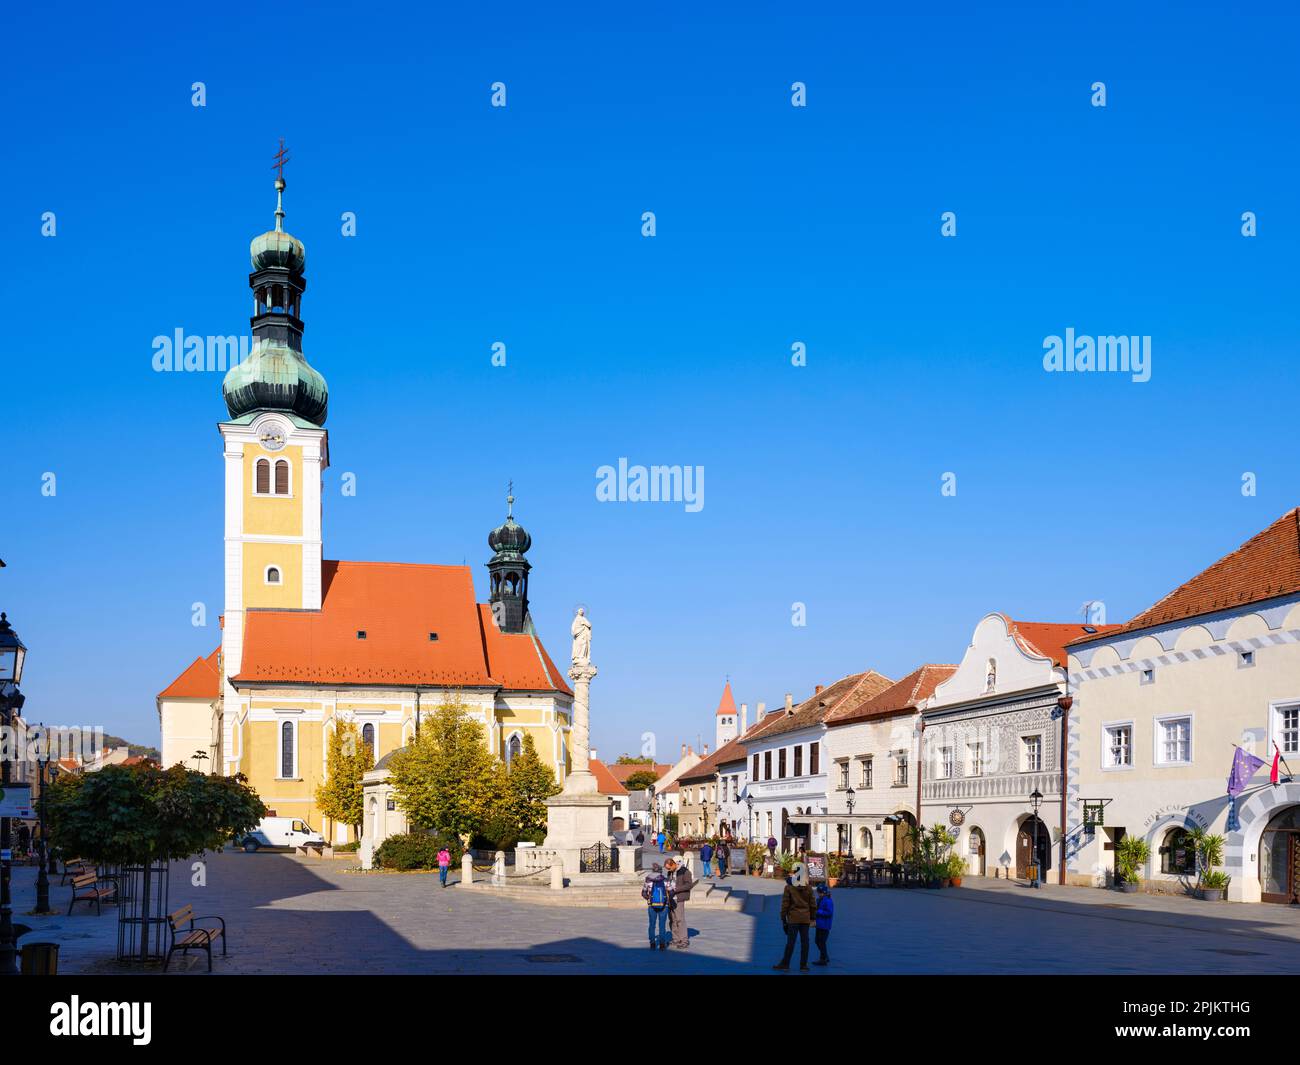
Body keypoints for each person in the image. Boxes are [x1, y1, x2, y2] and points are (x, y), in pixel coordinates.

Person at [773, 861, 815, 972]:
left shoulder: (789, 888)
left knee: (790, 942)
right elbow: (813, 905)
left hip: (793, 918)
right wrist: (813, 918)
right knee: (805, 942)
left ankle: (785, 964)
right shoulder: (809, 888)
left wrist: (783, 918)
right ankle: (803, 965)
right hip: (805, 918)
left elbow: (785, 904)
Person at [642, 862, 671, 950]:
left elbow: (643, 893)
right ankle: (662, 944)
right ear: (661, 871)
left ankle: (652, 943)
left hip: (652, 905)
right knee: (662, 925)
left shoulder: (648, 880)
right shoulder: (666, 880)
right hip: (664, 905)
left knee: (652, 924)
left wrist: (649, 898)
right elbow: (671, 891)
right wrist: (667, 899)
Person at [666, 857, 693, 949]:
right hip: (670, 898)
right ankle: (675, 939)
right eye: (667, 869)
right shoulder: (670, 872)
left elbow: (689, 885)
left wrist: (676, 889)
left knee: (680, 920)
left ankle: (684, 940)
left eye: (669, 867)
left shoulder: (685, 872)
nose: (669, 870)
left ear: (676, 863)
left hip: (679, 898)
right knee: (672, 920)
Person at [813, 882, 834, 966]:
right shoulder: (819, 899)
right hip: (819, 924)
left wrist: (818, 912)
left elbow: (829, 913)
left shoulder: (828, 901)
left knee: (821, 942)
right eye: (819, 892)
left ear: (824, 892)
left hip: (825, 925)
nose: (819, 894)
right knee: (818, 941)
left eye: (821, 893)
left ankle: (824, 958)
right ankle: (824, 957)